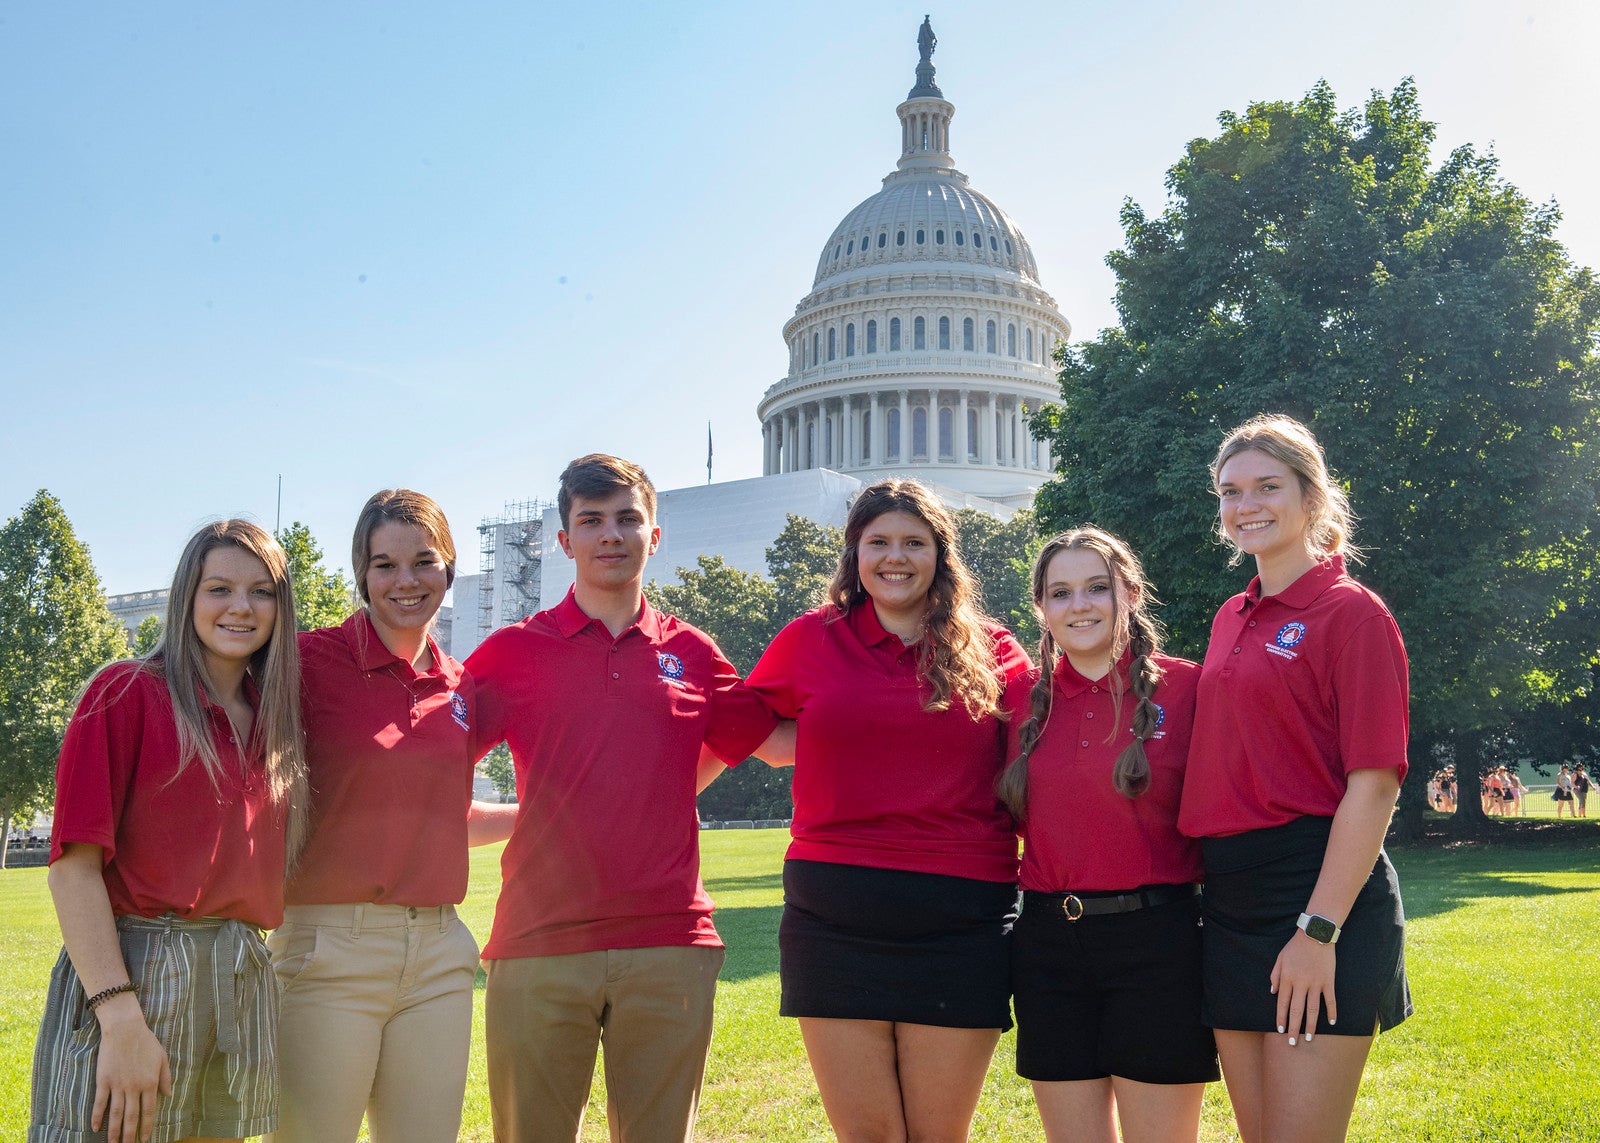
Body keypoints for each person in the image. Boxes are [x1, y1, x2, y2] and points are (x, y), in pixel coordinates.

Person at [465, 454, 783, 1143]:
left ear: (654, 535)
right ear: (565, 540)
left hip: (670, 942)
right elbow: (423, 765)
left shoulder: (693, 652)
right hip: (538, 943)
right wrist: (526, 815)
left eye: (627, 518)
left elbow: (773, 742)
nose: (611, 534)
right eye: (592, 520)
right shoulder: (513, 651)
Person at [744, 478, 1033, 1143]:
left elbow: (1037, 754)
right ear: (854, 553)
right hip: (833, 917)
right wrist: (814, 745)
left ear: (941, 554)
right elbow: (743, 725)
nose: (894, 556)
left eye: (914, 541)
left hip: (962, 920)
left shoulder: (995, 649)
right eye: (878, 541)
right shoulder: (810, 639)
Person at [30, 520, 306, 1143]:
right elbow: (72, 869)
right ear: (186, 597)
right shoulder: (125, 694)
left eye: (262, 591)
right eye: (219, 588)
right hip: (139, 970)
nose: (241, 606)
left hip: (239, 968)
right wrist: (119, 1014)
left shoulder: (277, 724)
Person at [1179, 414, 1412, 1143]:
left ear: (1312, 497)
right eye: (1230, 490)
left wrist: (1318, 930)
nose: (1245, 503)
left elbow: (1373, 783)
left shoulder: (1352, 613)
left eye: (1267, 486)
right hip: (1231, 904)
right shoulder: (1229, 616)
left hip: (1316, 899)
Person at [267, 490, 517, 1143]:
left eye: (423, 561)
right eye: (384, 564)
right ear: (362, 573)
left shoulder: (462, 686)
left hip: (438, 952)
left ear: (450, 568)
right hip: (328, 951)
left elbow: (445, 817)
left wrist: (542, 814)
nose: (405, 580)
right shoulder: (304, 662)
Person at [995, 527, 1217, 1143]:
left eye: (1097, 587)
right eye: (1060, 592)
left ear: (1131, 594)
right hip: (1046, 946)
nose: (1080, 605)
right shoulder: (1017, 702)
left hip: (1159, 943)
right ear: (1041, 608)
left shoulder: (1191, 687)